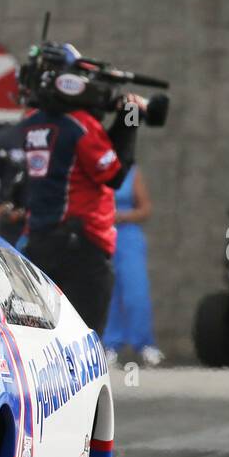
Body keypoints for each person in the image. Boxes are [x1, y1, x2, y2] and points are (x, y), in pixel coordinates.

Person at [16, 47, 145, 334]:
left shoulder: (31, 122)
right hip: (81, 246)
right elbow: (114, 174)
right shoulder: (80, 124)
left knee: (37, 334)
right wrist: (130, 120)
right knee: (85, 338)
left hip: (38, 240)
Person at [102, 166, 162, 366]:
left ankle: (144, 344)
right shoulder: (90, 170)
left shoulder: (131, 172)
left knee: (136, 291)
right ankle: (110, 345)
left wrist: (122, 216)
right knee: (109, 293)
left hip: (127, 235)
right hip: (101, 235)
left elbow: (145, 209)